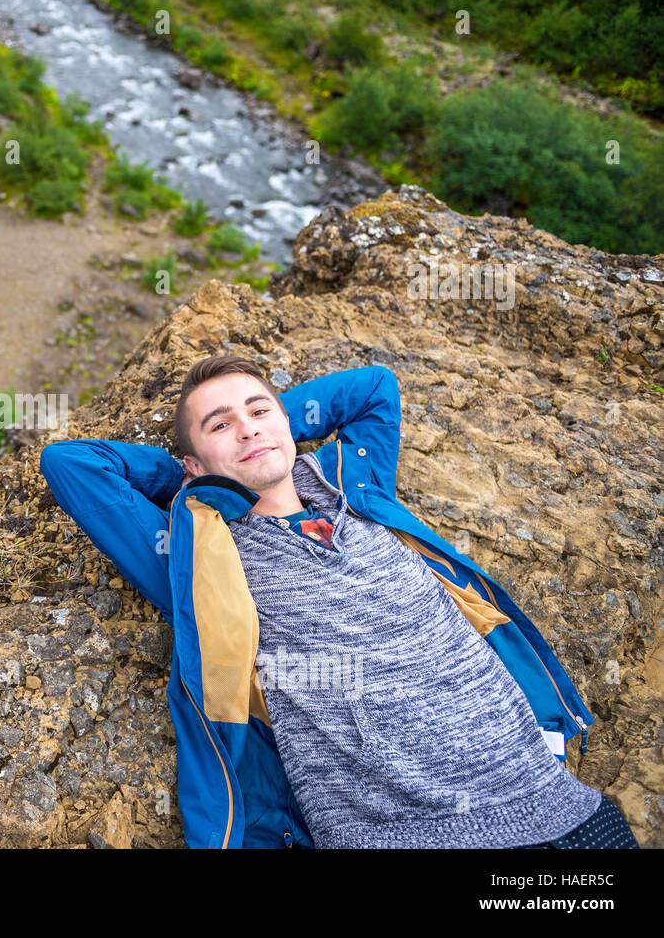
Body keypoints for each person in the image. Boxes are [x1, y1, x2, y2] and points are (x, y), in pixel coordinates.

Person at [39, 355, 640, 849]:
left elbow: (374, 387)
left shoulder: (355, 486)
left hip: (561, 805)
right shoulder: (199, 557)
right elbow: (71, 464)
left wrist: (270, 435)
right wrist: (192, 477)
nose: (247, 427)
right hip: (402, 836)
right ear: (195, 462)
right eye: (219, 425)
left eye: (259, 410)